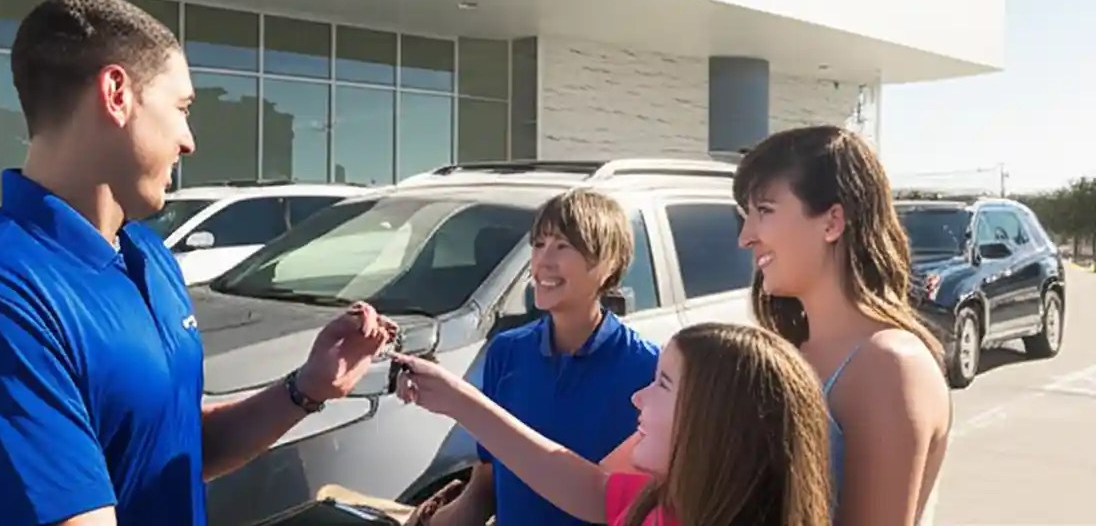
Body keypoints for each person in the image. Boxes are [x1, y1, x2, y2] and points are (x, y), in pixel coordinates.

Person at [0, 0, 397, 526]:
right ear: (117, 93)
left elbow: (173, 447)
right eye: (182, 108)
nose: (188, 141)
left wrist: (305, 389)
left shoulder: (147, 253)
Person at [393, 322, 833, 526]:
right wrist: (459, 401)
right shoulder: (664, 503)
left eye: (662, 384)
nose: (638, 397)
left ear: (714, 425)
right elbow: (586, 485)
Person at [733, 125, 951, 525]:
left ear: (832, 221)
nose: (746, 237)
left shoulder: (889, 365)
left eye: (764, 211)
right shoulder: (790, 350)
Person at [423, 188, 660, 526]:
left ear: (608, 264)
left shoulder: (648, 370)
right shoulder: (506, 352)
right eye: (538, 244)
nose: (543, 261)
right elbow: (485, 486)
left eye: (563, 246)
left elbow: (643, 503)